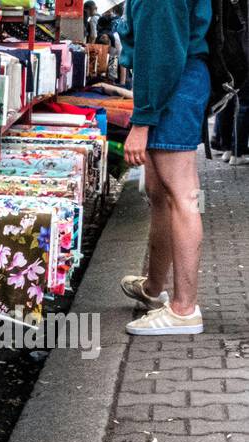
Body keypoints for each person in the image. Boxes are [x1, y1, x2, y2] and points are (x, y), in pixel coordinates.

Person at [119, 0, 213, 336]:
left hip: (173, 89)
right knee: (163, 194)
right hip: (177, 85)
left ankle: (184, 310)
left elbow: (160, 55)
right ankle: (155, 287)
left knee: (182, 195)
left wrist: (141, 122)